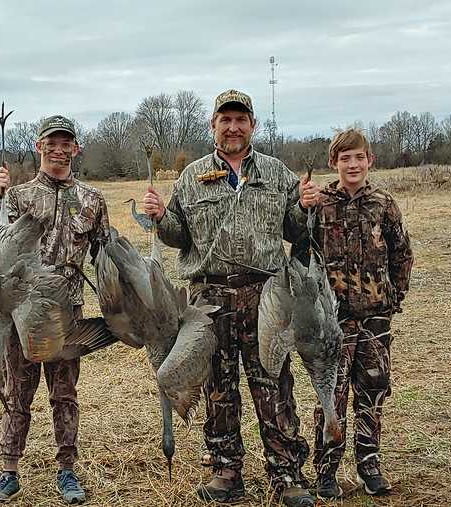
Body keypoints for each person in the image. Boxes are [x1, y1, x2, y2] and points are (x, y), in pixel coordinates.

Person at [143, 89, 321, 507]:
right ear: (213, 125)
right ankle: (225, 471)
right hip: (210, 298)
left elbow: (295, 231)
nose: (233, 127)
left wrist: (304, 206)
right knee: (218, 387)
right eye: (226, 119)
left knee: (273, 382)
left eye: (241, 119)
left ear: (252, 125)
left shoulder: (276, 173)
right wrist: (161, 216)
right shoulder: (192, 177)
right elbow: (178, 236)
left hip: (266, 295)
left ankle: (287, 475)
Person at [0, 115, 110, 504]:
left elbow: (106, 256)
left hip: (66, 314)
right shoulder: (17, 196)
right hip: (20, 312)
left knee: (64, 394)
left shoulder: (92, 199)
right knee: (16, 393)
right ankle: (9, 472)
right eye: (51, 142)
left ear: (76, 148)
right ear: (39, 146)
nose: (58, 149)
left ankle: (67, 470)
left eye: (65, 142)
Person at [303, 128, 413, 499]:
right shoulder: (319, 204)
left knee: (373, 393)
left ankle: (370, 466)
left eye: (359, 157)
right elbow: (302, 254)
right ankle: (326, 471)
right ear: (334, 163)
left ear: (370, 161)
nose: (353, 164)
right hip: (332, 322)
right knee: (331, 397)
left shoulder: (384, 204)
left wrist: (393, 298)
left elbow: (402, 254)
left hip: (375, 320)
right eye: (345, 158)